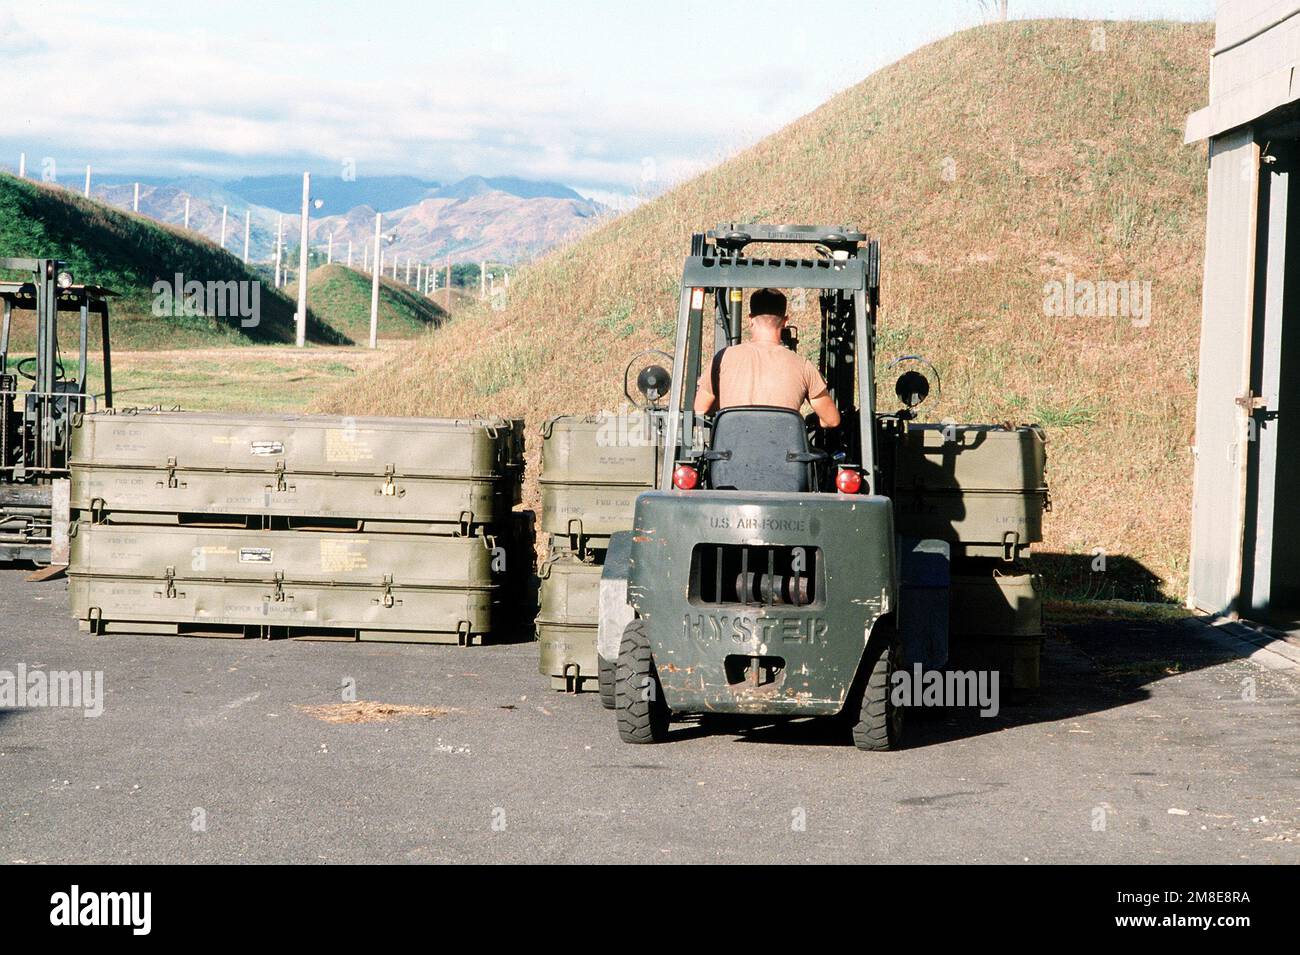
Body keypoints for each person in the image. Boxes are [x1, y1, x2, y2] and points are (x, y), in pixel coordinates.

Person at [693, 288, 841, 428]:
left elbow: (700, 408)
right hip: (783, 454)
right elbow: (832, 420)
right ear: (786, 321)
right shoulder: (803, 366)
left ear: (750, 319)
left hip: (731, 454)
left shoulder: (723, 358)